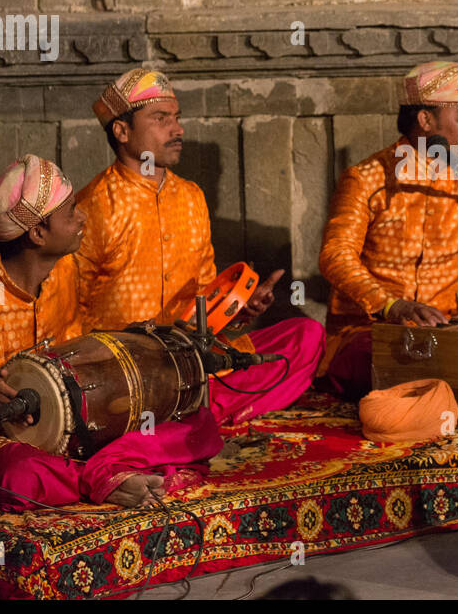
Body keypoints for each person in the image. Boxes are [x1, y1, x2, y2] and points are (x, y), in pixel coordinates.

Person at [0, 154, 223, 510]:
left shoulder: (65, 275)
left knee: (196, 425)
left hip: (72, 428)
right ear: (37, 233)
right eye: (71, 213)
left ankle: (101, 473)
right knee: (24, 475)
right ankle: (102, 477)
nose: (82, 218)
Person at [74, 67, 323, 424]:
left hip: (196, 358)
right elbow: (66, 311)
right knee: (131, 396)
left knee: (306, 336)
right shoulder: (92, 207)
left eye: (177, 118)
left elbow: (204, 299)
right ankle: (189, 417)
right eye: (161, 119)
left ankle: (192, 416)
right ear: (122, 130)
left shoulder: (191, 197)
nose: (178, 130)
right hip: (129, 371)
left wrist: (240, 308)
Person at [317, 60, 458, 398]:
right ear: (425, 120)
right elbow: (335, 256)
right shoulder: (368, 177)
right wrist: (390, 306)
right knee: (416, 366)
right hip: (369, 330)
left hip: (447, 326)